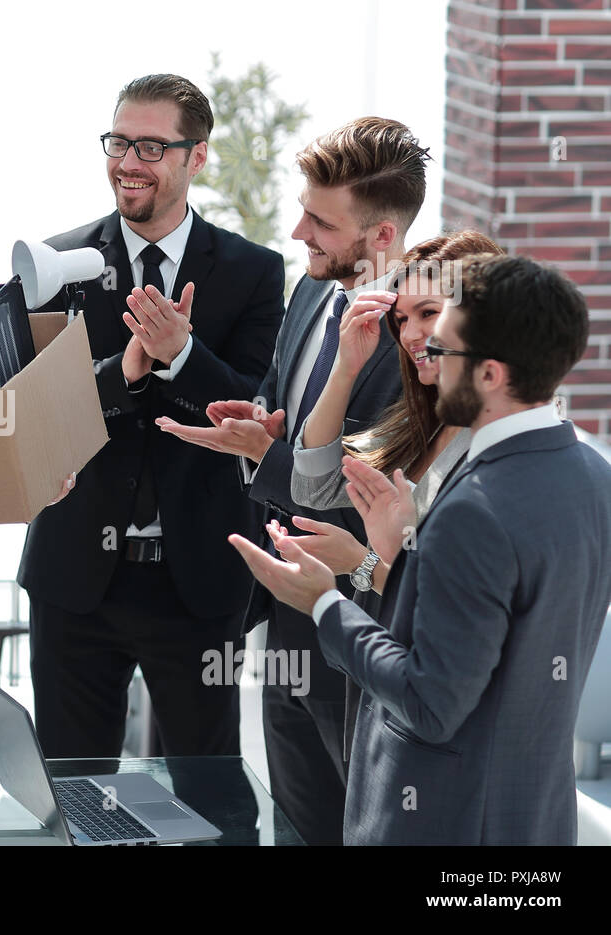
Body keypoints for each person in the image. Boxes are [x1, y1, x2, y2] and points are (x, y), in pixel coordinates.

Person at [231, 254, 611, 844]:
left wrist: (324, 602)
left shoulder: (474, 509)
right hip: (534, 820)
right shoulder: (593, 474)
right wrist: (401, 559)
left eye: (443, 350)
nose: (424, 359)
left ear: (489, 374)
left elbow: (430, 701)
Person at [160, 117, 428, 844]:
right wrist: (260, 427)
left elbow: (362, 482)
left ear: (380, 238)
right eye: (303, 207)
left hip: (361, 618)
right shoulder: (310, 291)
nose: (298, 229)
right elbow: (286, 400)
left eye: (320, 220)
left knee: (358, 822)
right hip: (289, 609)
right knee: (297, 823)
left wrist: (267, 455)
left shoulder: (424, 339)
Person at [16, 73, 285, 762]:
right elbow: (33, 414)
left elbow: (255, 414)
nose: (127, 162)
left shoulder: (254, 272)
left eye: (150, 146)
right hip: (75, 577)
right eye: (118, 141)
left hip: (197, 583)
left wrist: (183, 355)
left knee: (211, 799)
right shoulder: (56, 264)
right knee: (73, 796)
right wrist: (129, 370)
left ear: (197, 158)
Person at [275, 229, 505, 768]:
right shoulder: (421, 419)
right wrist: (346, 366)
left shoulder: (493, 445)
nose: (411, 333)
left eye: (428, 312)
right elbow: (312, 485)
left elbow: (452, 604)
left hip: (439, 721)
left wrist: (359, 564)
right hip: (386, 691)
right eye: (402, 319)